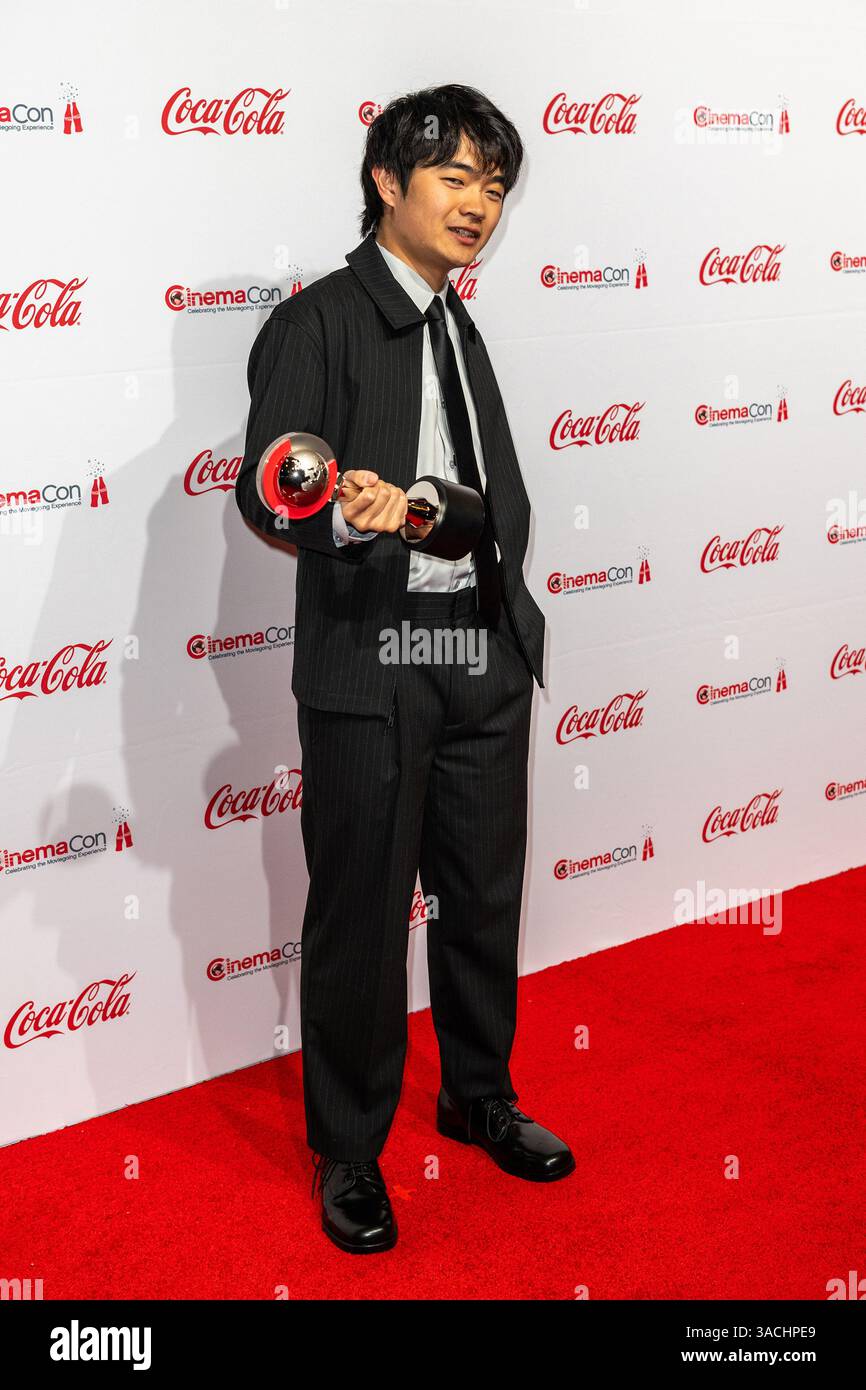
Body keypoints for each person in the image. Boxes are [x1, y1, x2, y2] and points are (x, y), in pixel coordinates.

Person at [235, 83, 574, 1256]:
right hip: (370, 660)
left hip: (475, 647)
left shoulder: (454, 321)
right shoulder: (318, 321)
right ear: (387, 180)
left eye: (494, 183)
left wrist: (422, 506)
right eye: (455, 176)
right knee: (363, 916)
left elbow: (474, 503)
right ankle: (349, 1151)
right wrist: (336, 502)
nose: (478, 201)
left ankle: (478, 1092)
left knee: (482, 897)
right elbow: (272, 476)